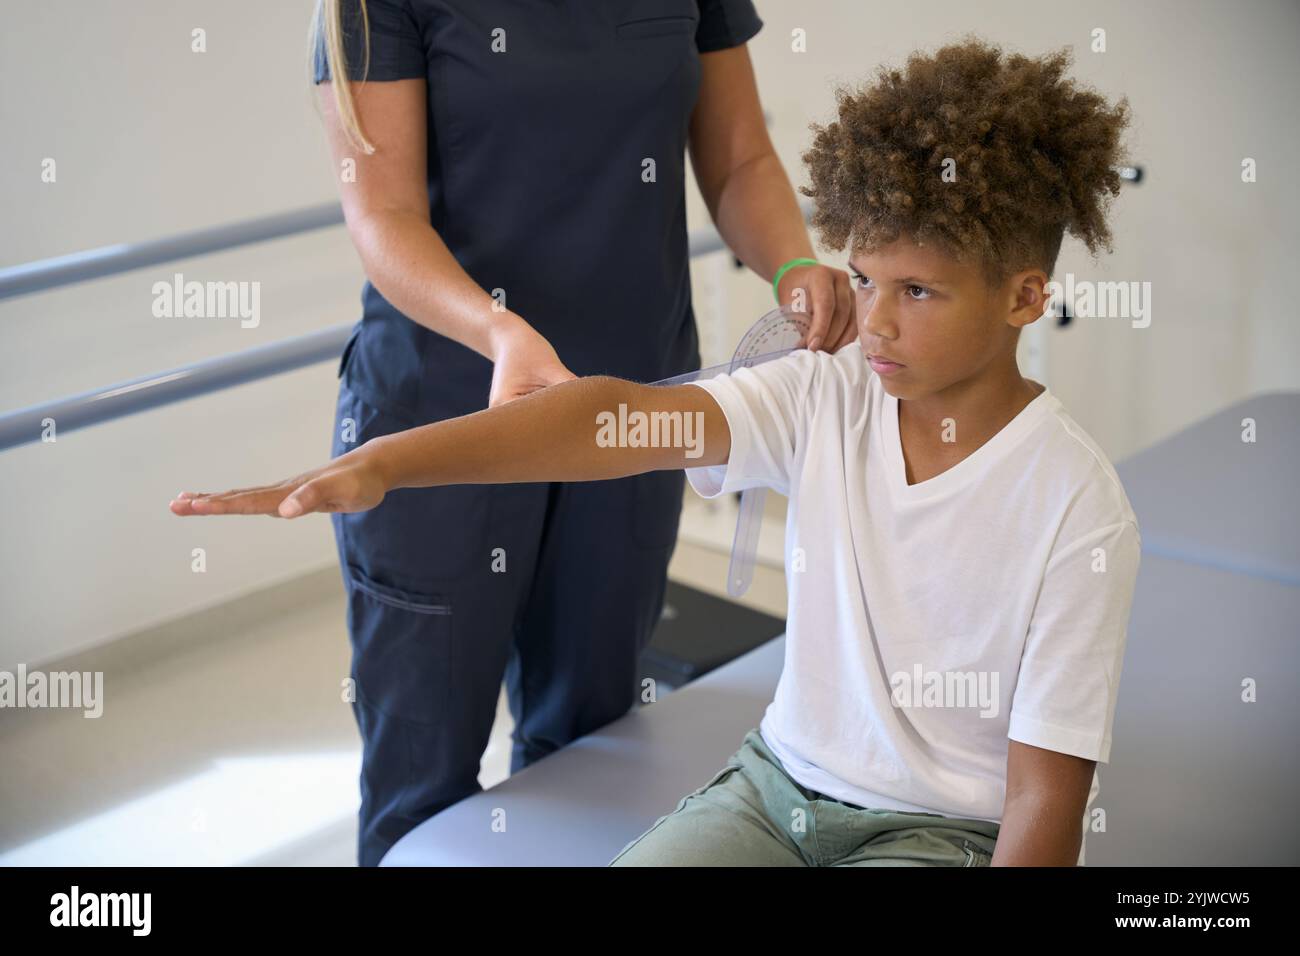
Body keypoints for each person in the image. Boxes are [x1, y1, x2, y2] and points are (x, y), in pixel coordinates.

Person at [174, 36, 1139, 866]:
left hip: (941, 833)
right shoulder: (823, 393)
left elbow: (1044, 801)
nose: (873, 322)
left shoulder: (1073, 503)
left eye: (918, 292)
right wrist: (387, 460)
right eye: (862, 277)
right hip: (778, 792)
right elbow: (613, 422)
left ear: (1022, 297)